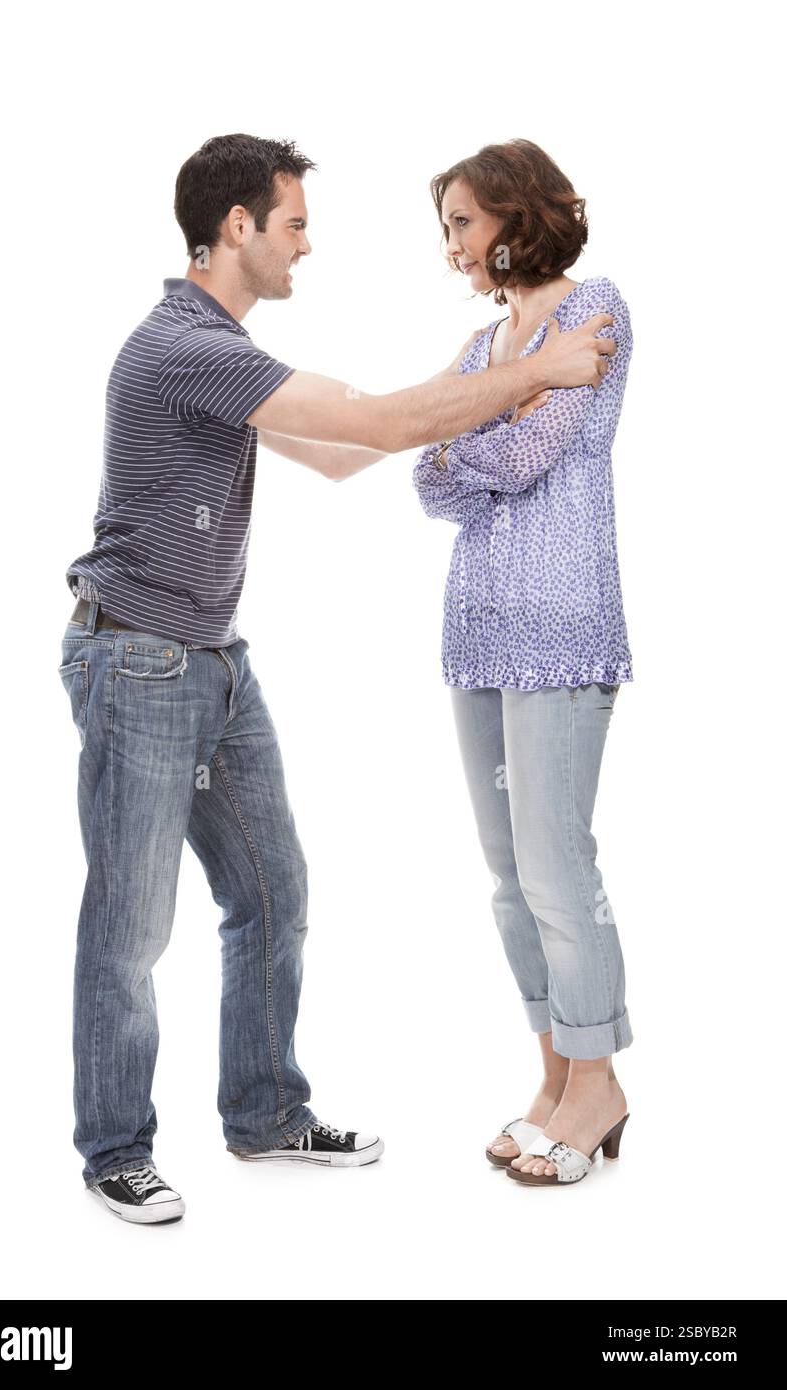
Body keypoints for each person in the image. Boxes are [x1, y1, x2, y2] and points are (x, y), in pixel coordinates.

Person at [59, 132, 616, 1223]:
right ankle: (114, 1147)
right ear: (237, 228)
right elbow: (373, 424)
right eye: (294, 223)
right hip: (137, 657)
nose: (306, 245)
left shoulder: (222, 354)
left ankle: (265, 1112)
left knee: (274, 893)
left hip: (212, 659)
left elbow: (343, 449)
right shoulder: (184, 345)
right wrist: (533, 372)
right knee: (130, 925)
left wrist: (462, 401)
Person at [412, 139, 634, 1187]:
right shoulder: (479, 345)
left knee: (555, 866)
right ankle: (554, 1077)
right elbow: (431, 481)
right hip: (477, 631)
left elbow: (521, 453)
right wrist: (485, 425)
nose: (450, 243)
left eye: (460, 221)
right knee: (508, 881)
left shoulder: (595, 308)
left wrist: (475, 435)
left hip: (561, 624)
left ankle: (597, 1084)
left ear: (511, 214)